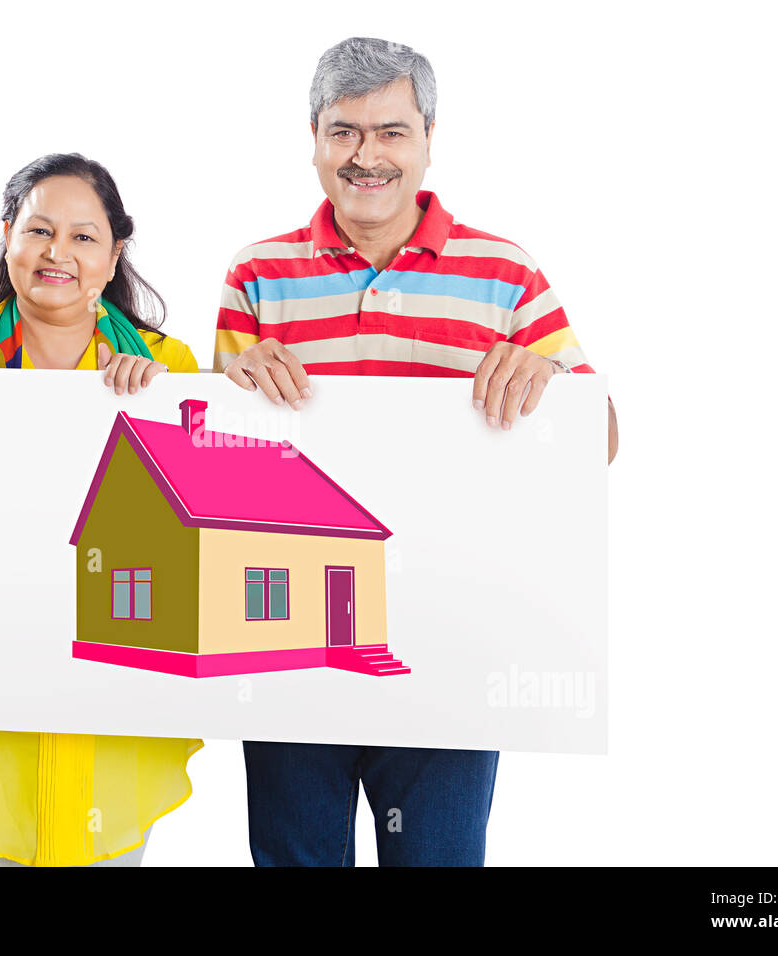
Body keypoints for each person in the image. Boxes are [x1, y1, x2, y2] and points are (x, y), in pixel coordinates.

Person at [213, 37, 620, 866]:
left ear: (429, 137)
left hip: (453, 648)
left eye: (390, 132)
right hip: (292, 648)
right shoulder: (255, 274)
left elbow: (599, 439)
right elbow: (212, 460)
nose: (367, 156)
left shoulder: (505, 271)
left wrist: (549, 378)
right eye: (344, 132)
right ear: (315, 141)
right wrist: (228, 383)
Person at [0, 153, 203, 866]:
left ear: (116, 253)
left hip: (112, 721)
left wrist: (156, 409)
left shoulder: (168, 368)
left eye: (85, 237)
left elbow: (202, 533)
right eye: (39, 231)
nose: (59, 253)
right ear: (7, 238)